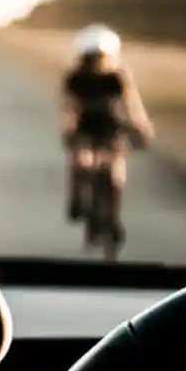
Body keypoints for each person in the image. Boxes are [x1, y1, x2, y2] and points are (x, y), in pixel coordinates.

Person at [61, 24, 154, 250]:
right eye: (92, 58)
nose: (97, 62)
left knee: (115, 178)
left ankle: (112, 217)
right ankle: (77, 200)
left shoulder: (117, 78)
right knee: (83, 164)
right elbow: (69, 108)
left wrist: (140, 126)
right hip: (86, 132)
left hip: (111, 132)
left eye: (100, 57)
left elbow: (132, 104)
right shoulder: (75, 79)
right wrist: (69, 129)